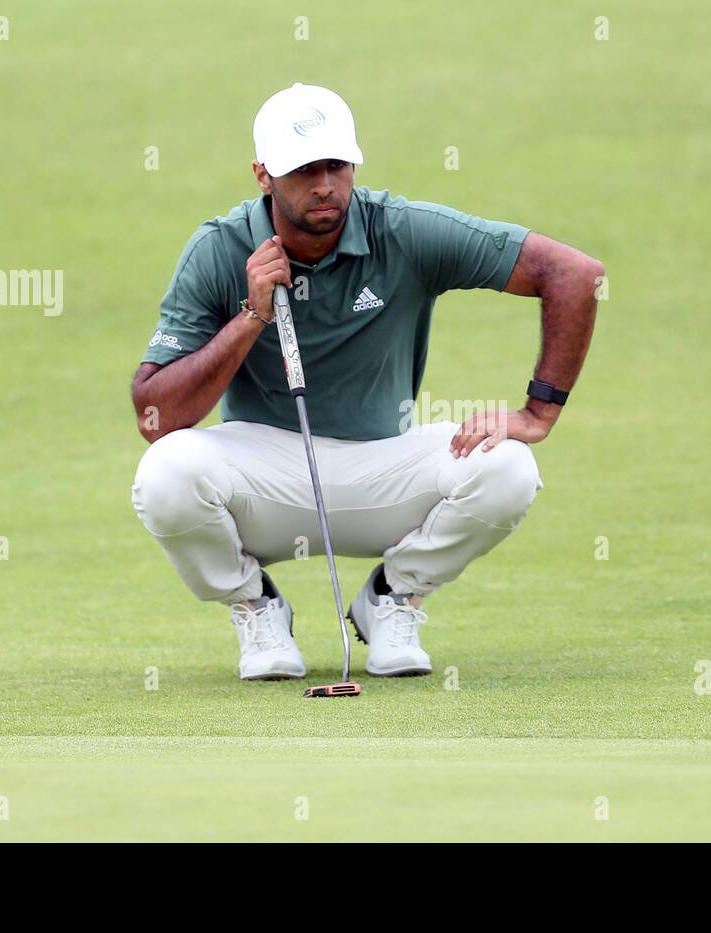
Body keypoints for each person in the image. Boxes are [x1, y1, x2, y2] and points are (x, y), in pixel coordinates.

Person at [130, 84, 603, 681]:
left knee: (508, 466)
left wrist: (540, 413)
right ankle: (255, 608)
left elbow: (574, 274)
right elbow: (155, 416)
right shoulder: (220, 249)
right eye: (304, 170)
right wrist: (251, 314)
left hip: (387, 466)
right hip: (266, 474)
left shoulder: (403, 230)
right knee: (166, 472)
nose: (324, 185)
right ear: (262, 174)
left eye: (336, 165)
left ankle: (392, 599)